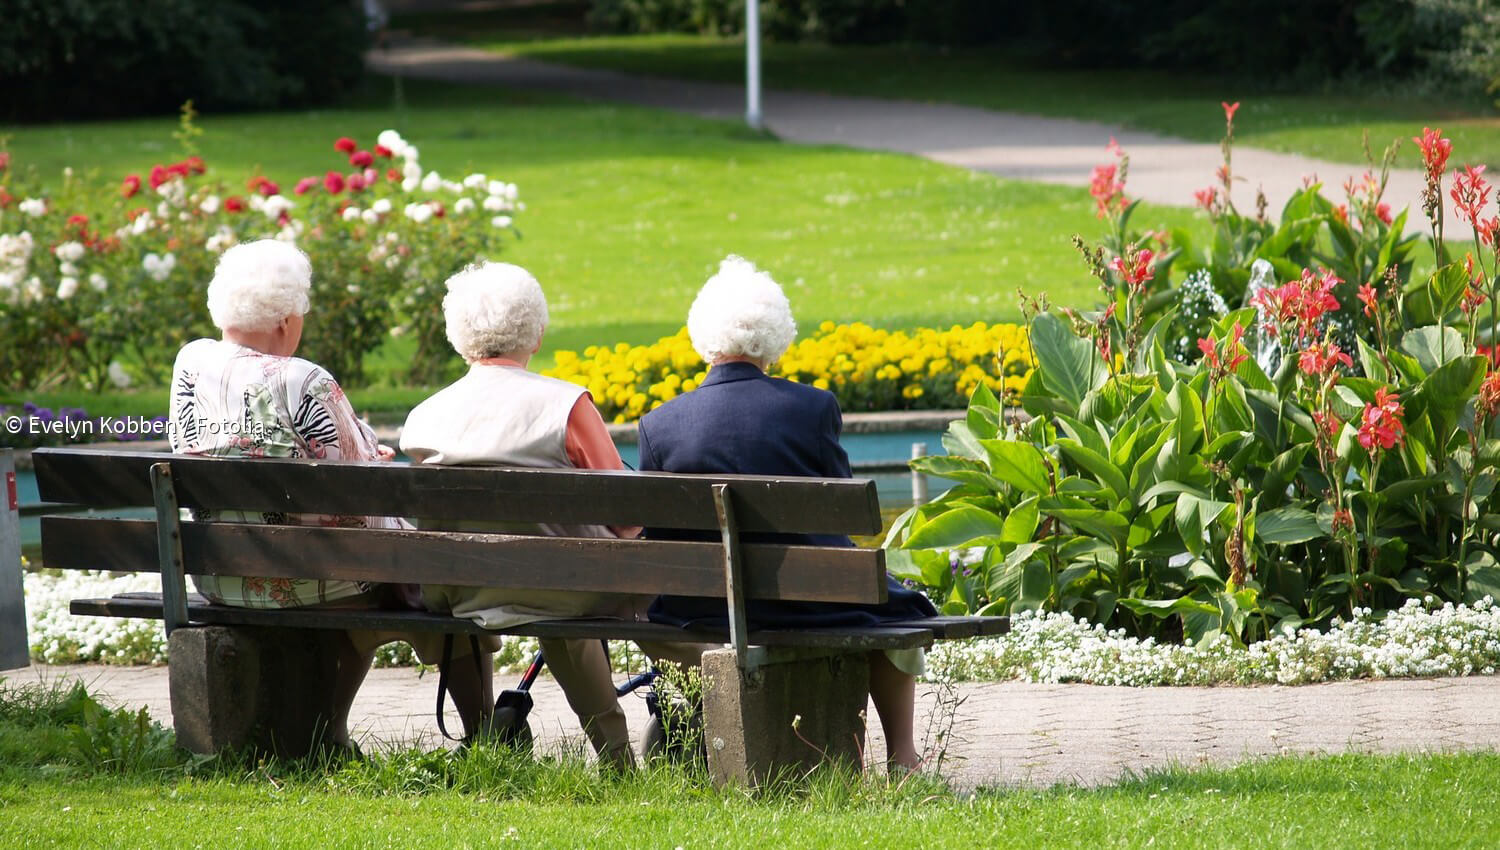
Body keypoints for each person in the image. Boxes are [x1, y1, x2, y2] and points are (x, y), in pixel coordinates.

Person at [168, 239, 492, 749]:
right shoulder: (305, 379)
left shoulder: (190, 364)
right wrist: (373, 458)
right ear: (286, 321)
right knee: (441, 572)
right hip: (312, 580)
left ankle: (329, 734)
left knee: (394, 569)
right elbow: (359, 490)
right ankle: (484, 734)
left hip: (221, 575)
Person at [636, 255, 939, 773]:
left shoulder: (660, 424)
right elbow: (841, 506)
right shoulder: (811, 408)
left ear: (702, 336)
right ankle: (902, 756)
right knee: (902, 608)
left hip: (702, 610)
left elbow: (656, 535)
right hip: (811, 602)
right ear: (775, 335)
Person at [400, 261, 647, 770]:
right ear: (536, 333)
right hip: (569, 590)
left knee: (544, 577)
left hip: (462, 587)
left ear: (458, 337)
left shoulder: (424, 416)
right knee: (575, 579)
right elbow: (627, 519)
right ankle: (616, 754)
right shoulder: (566, 406)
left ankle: (486, 741)